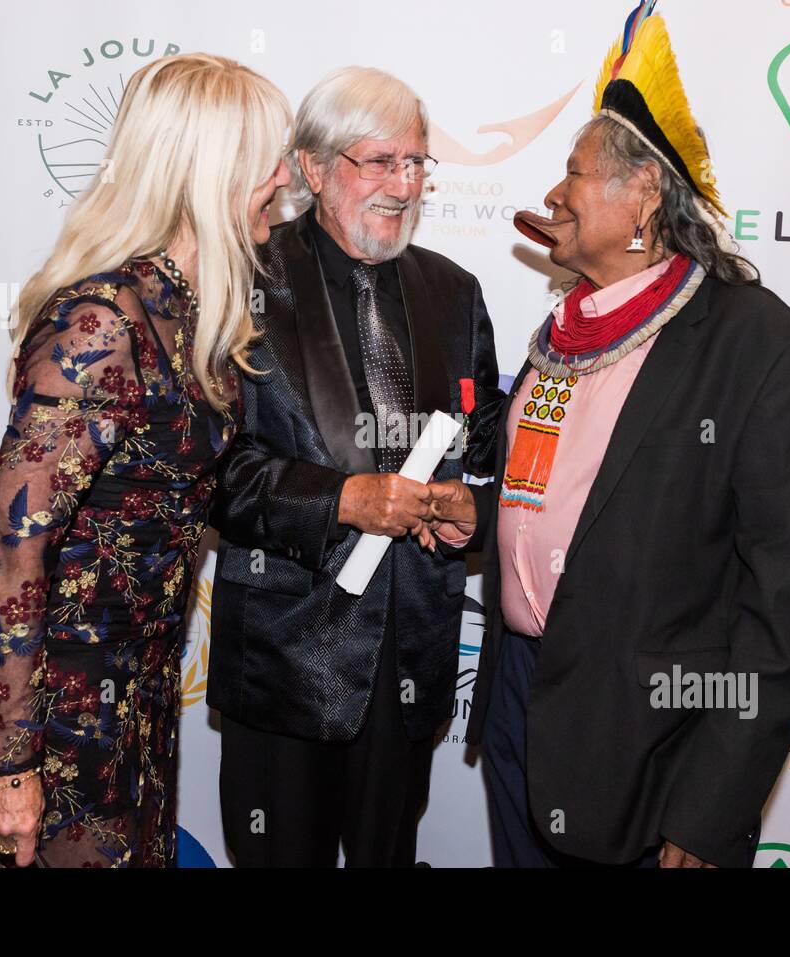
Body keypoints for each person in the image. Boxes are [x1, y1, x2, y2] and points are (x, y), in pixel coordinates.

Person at [428, 1, 790, 868]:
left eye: (573, 172)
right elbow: (558, 491)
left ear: (643, 192)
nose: (552, 194)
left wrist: (710, 805)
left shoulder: (765, 351)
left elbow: (780, 614)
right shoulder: (565, 331)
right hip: (518, 703)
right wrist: (485, 515)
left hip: (651, 740)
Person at [0, 53, 292, 867]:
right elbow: (10, 547)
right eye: (268, 158)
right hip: (52, 685)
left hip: (132, 669)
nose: (284, 176)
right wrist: (7, 768)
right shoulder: (101, 326)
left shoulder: (185, 312)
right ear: (215, 172)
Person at [208, 66, 503, 867]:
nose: (403, 184)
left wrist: (472, 505)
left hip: (410, 656)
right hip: (286, 658)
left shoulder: (455, 291)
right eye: (379, 161)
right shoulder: (241, 282)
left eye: (416, 163)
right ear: (310, 168)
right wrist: (343, 498)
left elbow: (488, 448)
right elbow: (212, 475)